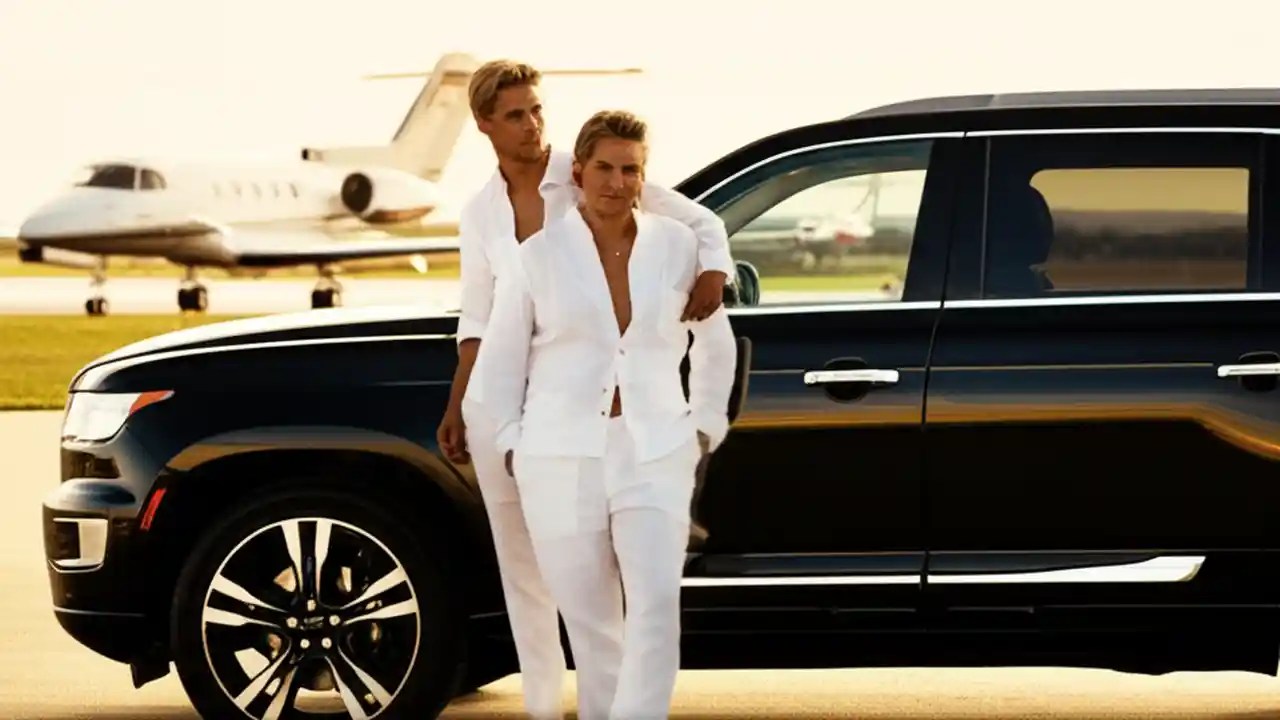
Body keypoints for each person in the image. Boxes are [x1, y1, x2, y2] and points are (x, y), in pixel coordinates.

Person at [434, 60, 735, 719]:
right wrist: (463, 406)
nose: (533, 125)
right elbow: (479, 317)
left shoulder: (592, 169)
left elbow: (700, 226)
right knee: (527, 572)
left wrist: (715, 273)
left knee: (627, 593)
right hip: (527, 412)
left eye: (537, 109)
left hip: (615, 417)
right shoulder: (480, 212)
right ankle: (543, 704)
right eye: (516, 114)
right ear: (484, 123)